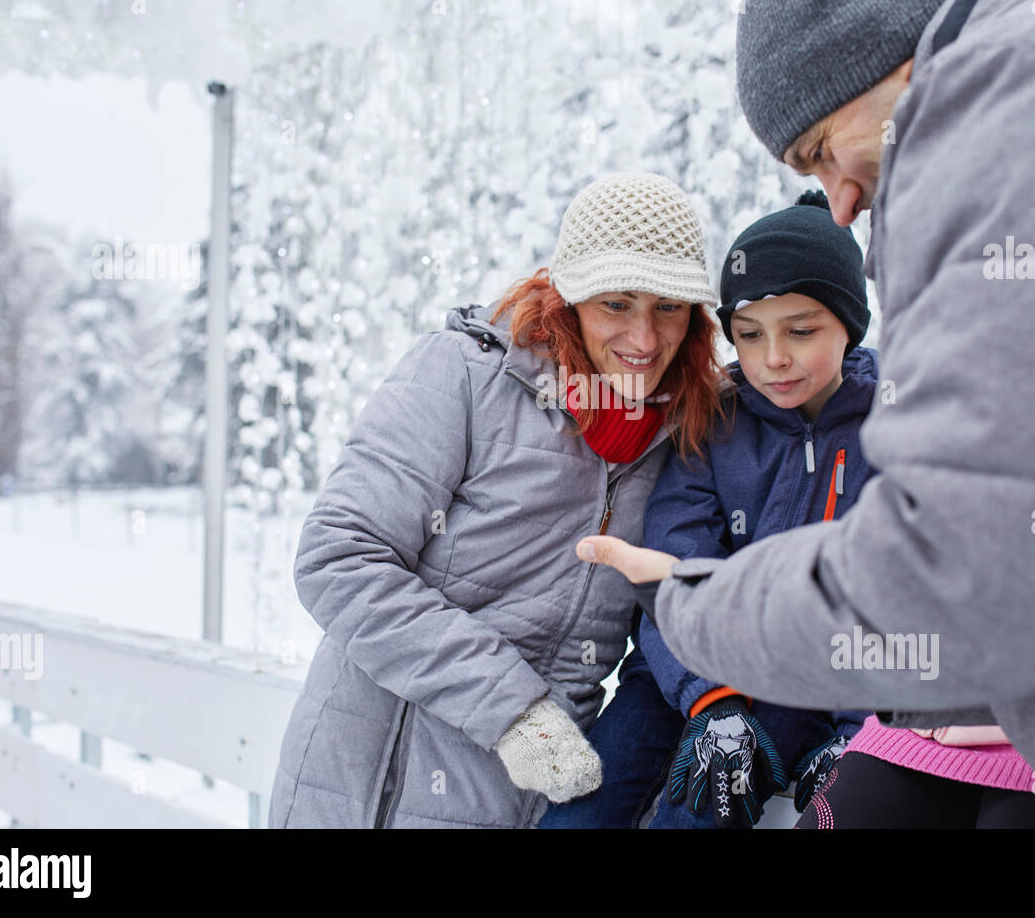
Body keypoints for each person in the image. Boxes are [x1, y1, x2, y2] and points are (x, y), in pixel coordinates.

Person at [577, 0, 1035, 827]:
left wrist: (691, 598)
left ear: (893, 65)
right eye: (750, 332)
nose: (840, 204)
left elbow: (969, 570)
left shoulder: (1030, 118)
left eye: (821, 149)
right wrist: (715, 689)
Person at [267, 171, 725, 828]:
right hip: (370, 798)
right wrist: (513, 711)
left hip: (521, 809)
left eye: (668, 308)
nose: (645, 339)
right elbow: (338, 558)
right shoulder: (467, 376)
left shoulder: (688, 441)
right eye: (617, 304)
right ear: (570, 296)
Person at [542, 191, 873, 829]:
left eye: (801, 331)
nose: (773, 358)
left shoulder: (894, 426)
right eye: (748, 336)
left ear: (850, 323)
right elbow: (672, 560)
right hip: (676, 674)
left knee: (701, 813)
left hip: (800, 685)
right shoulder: (715, 416)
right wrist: (711, 700)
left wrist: (856, 733)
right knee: (581, 809)